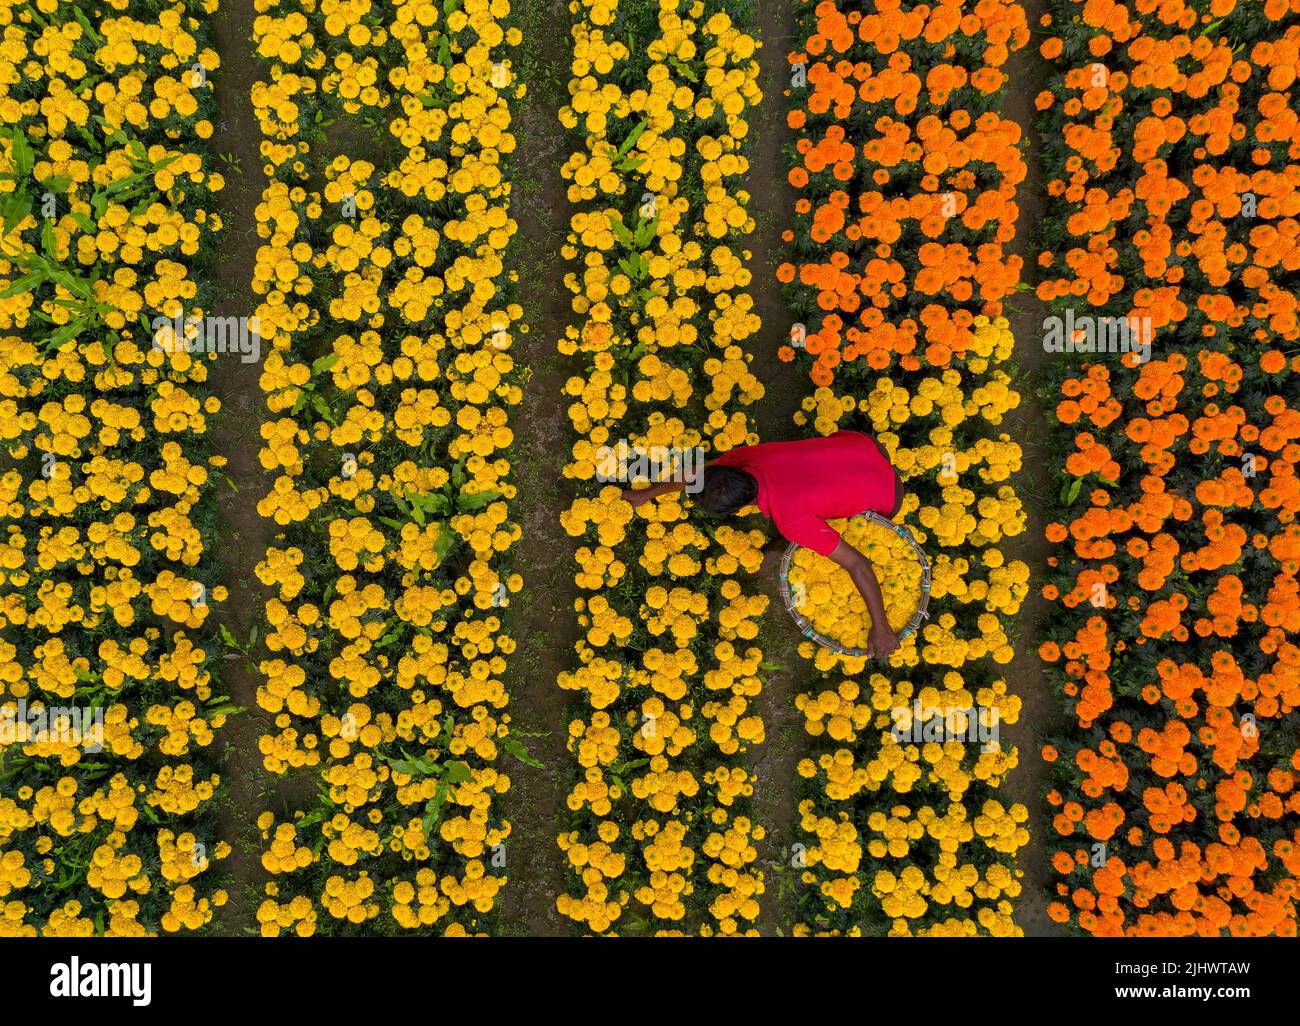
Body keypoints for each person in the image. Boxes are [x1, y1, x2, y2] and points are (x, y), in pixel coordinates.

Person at [622, 431, 905, 658]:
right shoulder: (751, 458)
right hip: (866, 445)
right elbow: (696, 476)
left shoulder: (793, 520)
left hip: (890, 494)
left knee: (807, 526)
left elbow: (857, 563)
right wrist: (648, 493)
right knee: (808, 502)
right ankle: (780, 545)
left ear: (736, 511)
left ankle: (781, 546)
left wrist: (880, 626)